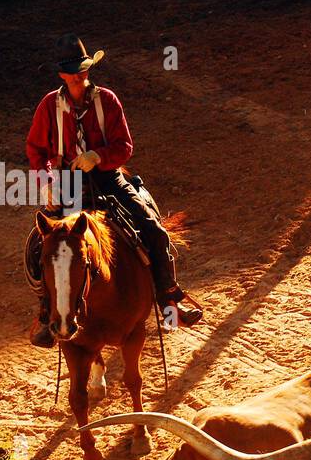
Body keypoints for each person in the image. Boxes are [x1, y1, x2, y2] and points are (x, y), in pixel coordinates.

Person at [24, 34, 202, 347]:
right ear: (63, 76)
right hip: (68, 183)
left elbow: (125, 147)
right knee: (40, 248)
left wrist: (98, 157)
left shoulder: (107, 100)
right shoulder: (48, 106)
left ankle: (169, 299)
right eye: (73, 72)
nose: (79, 76)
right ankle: (45, 314)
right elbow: (35, 149)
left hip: (108, 178)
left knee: (155, 231)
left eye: (82, 70)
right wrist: (47, 180)